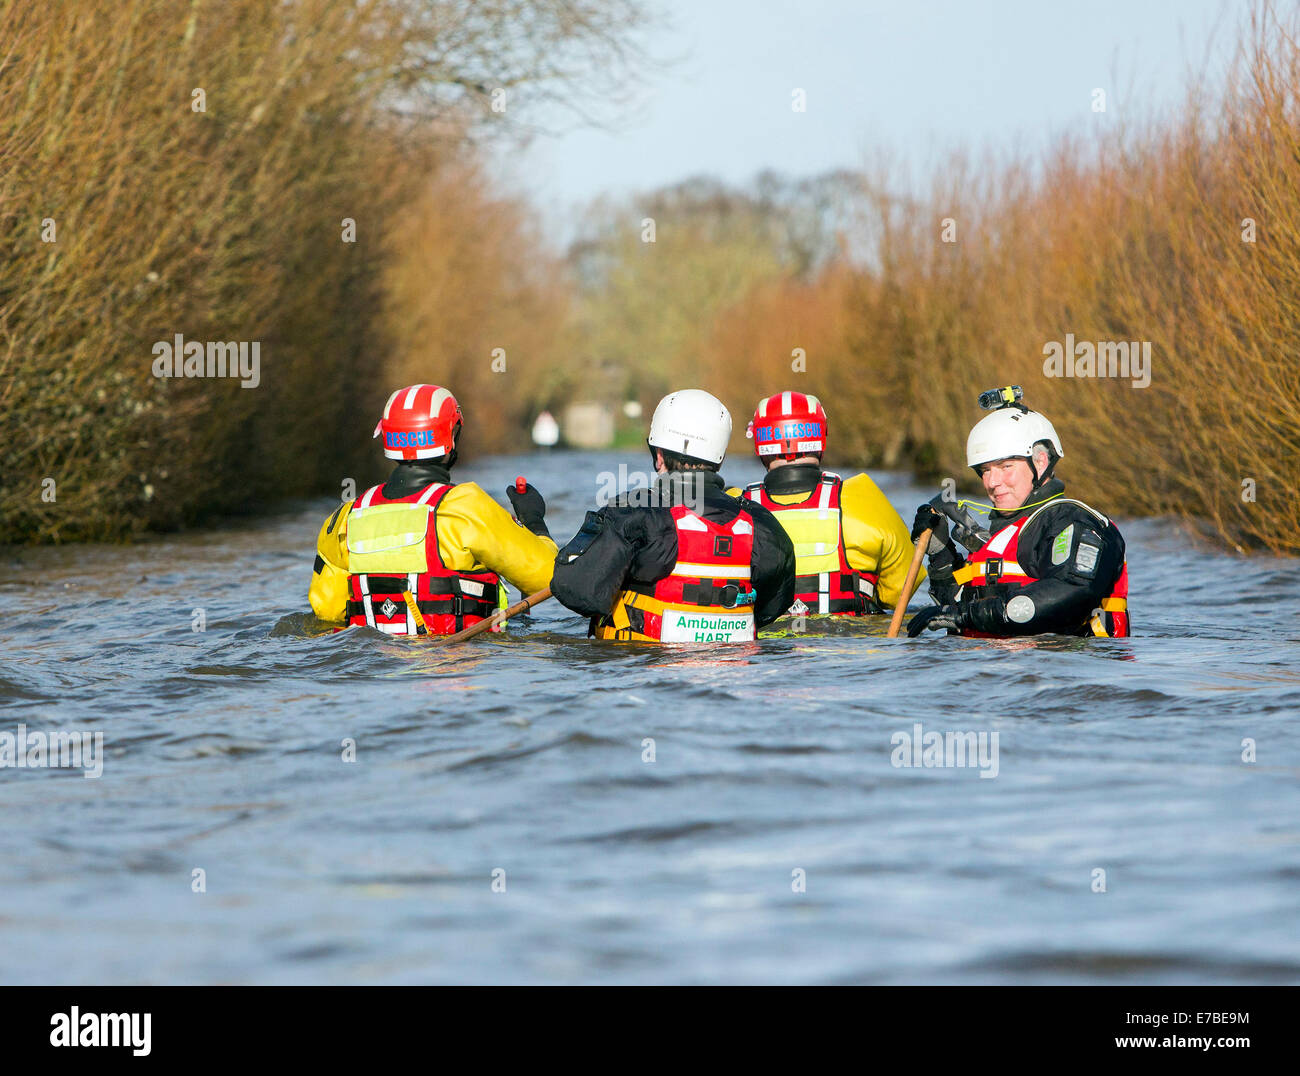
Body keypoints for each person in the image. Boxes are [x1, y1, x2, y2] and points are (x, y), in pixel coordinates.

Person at [308, 383, 556, 636]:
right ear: (451, 436)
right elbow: (549, 579)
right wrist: (534, 522)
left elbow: (327, 612)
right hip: (453, 665)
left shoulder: (344, 517)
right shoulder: (466, 507)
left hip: (375, 667)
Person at [550, 389, 795, 642]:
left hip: (643, 669)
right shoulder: (762, 522)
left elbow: (577, 591)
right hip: (733, 671)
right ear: (718, 459)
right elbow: (772, 608)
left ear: (659, 457)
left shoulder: (633, 512)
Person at [907, 386, 1129, 638]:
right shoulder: (1003, 536)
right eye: (986, 470)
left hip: (1065, 672)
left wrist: (967, 616)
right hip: (995, 672)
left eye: (1005, 466)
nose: (992, 481)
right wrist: (941, 555)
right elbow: (955, 612)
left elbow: (1072, 592)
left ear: (1040, 461)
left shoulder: (1071, 521)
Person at [733, 391, 919, 616]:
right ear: (820, 439)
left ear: (760, 446)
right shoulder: (864, 497)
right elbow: (901, 590)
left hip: (770, 647)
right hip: (846, 644)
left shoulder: (735, 507)